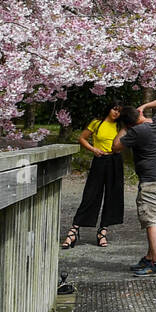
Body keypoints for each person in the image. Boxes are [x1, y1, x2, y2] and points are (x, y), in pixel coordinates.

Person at [113, 96, 156, 277]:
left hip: (151, 184)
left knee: (151, 222)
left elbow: (115, 146)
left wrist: (124, 128)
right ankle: (150, 256)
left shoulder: (136, 132)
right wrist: (146, 106)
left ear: (128, 124)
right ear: (139, 114)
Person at [62, 103, 125, 249]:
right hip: (99, 160)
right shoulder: (97, 123)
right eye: (114, 109)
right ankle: (74, 230)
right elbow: (82, 138)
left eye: (119, 111)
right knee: (91, 194)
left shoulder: (120, 126)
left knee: (112, 195)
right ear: (109, 109)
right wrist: (93, 149)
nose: (116, 113)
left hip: (115, 161)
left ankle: (103, 230)